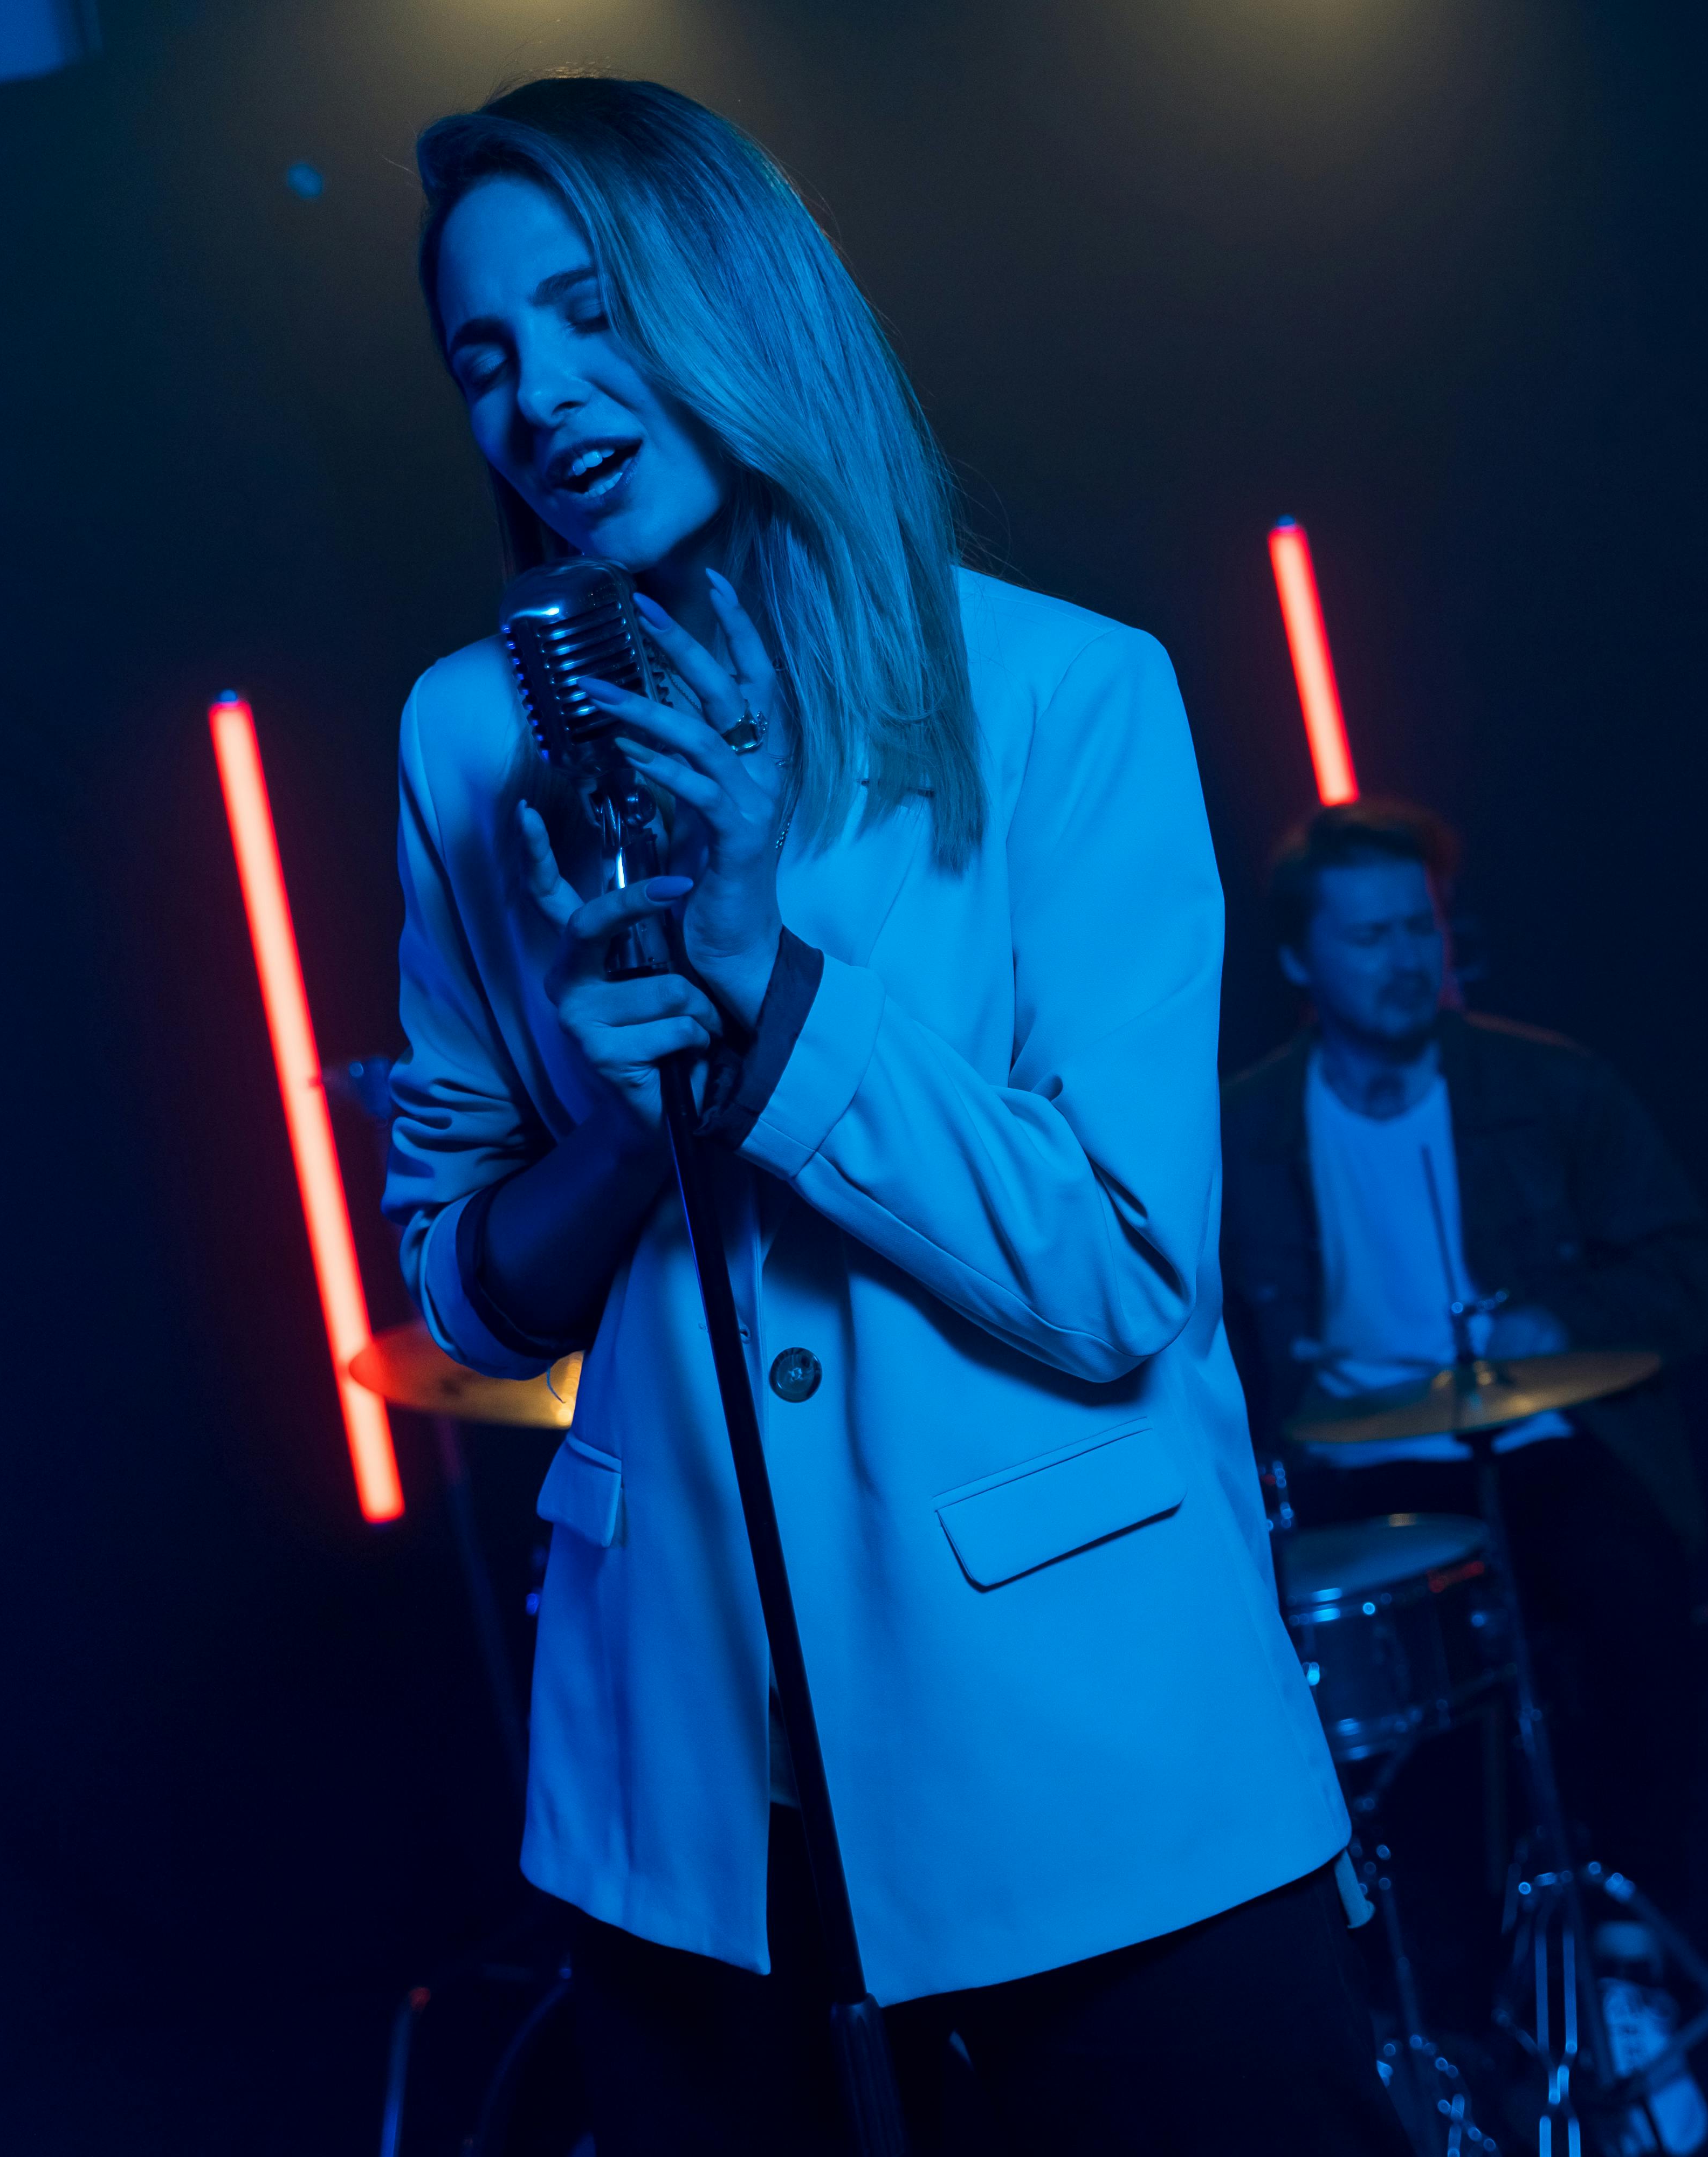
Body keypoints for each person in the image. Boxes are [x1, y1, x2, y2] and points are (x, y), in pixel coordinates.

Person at [380, 78, 1406, 2155]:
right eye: (483, 354)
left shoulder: (1064, 699)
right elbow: (464, 1288)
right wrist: (628, 1114)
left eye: (594, 312)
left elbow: (1126, 1278)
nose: (540, 396)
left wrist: (773, 992)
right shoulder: (469, 739)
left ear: (739, 305)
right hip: (684, 1803)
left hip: (1097, 1776)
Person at [1218, 801, 1708, 2152]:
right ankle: (1430, 2024)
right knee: (1364, 1716)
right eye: (1369, 932)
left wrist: (1564, 1322)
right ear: (1298, 963)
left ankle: (1625, 1964)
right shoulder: (1241, 1130)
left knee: (1629, 1585)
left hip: (1538, 1440)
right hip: (1354, 1466)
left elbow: (1685, 1268)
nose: (1405, 957)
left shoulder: (1549, 1087)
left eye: (1421, 927)